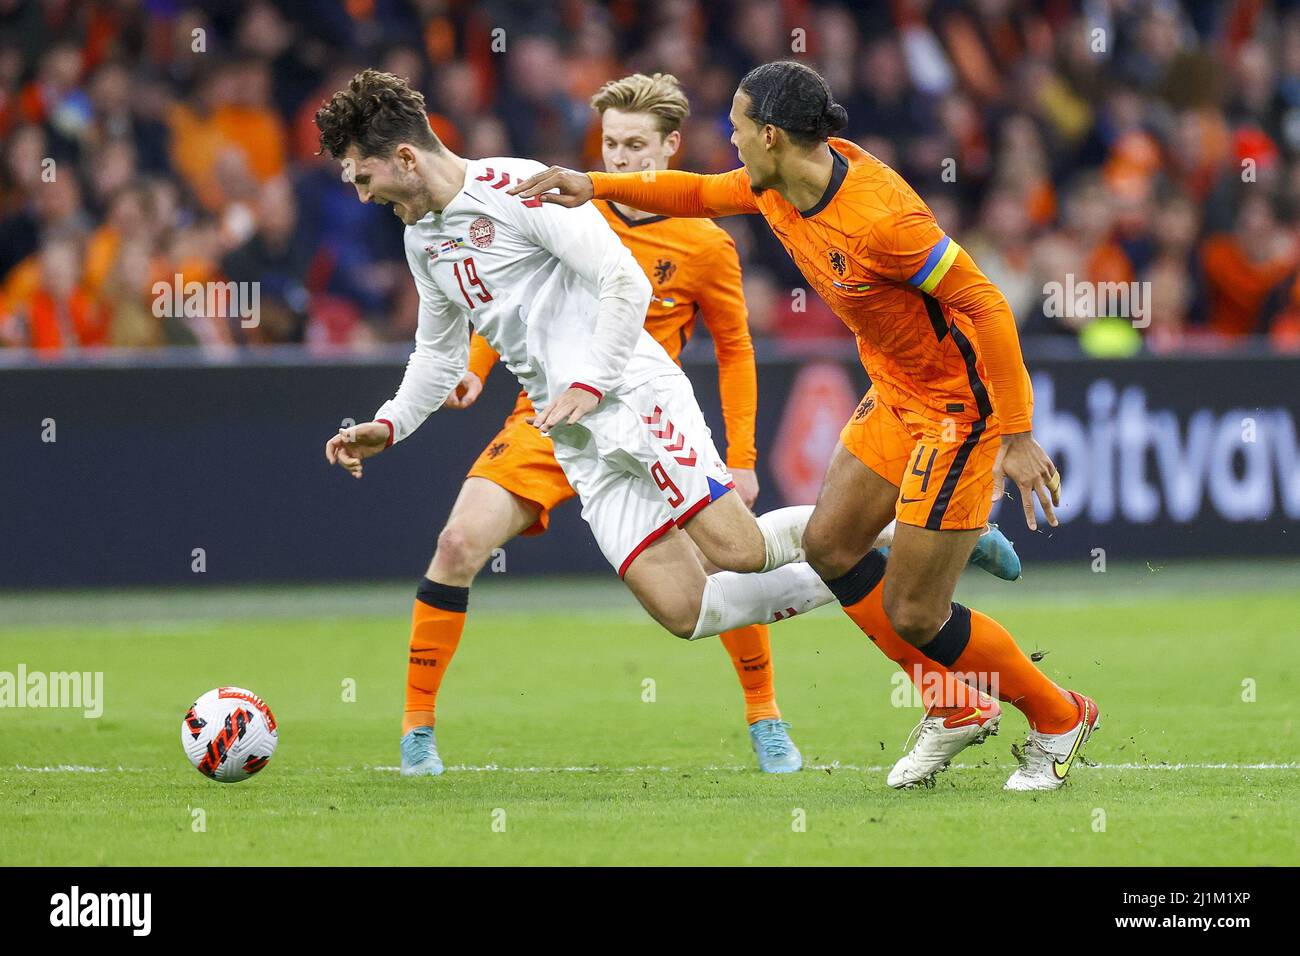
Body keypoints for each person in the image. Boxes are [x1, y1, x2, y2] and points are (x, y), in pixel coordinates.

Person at [511, 61, 1099, 792]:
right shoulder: (778, 185)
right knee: (827, 545)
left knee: (914, 612)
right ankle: (953, 707)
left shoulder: (884, 219)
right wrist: (592, 184)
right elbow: (692, 192)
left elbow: (986, 303)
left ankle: (1057, 715)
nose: (727, 140)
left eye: (735, 127)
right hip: (893, 395)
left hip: (958, 410)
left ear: (771, 135)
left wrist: (1014, 433)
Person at [314, 69, 832, 777]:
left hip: (632, 394)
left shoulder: (518, 187)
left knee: (736, 553)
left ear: (405, 158)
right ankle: (875, 553)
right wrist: (390, 423)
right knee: (686, 610)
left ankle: (883, 533)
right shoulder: (421, 239)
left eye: (364, 176)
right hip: (567, 428)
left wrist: (591, 382)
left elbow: (626, 282)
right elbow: (436, 356)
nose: (362, 194)